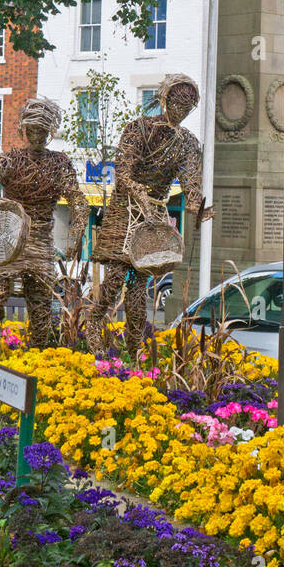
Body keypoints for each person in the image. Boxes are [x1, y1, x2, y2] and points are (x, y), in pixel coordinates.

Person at [86, 74, 210, 361]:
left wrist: (195, 205)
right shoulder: (138, 129)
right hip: (126, 210)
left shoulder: (188, 143)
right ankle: (94, 320)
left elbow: (191, 183)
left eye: (188, 105)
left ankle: (134, 347)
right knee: (116, 275)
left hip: (153, 216)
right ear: (165, 99)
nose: (181, 108)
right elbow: (123, 172)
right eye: (177, 101)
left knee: (139, 285)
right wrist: (137, 191)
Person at [0, 97, 88, 358]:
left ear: (49, 133)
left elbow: (76, 197)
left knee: (41, 306)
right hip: (8, 239)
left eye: (42, 131)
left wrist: (78, 226)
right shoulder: (10, 160)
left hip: (40, 241)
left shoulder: (60, 163)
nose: (36, 136)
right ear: (24, 130)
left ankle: (36, 358)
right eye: (32, 130)